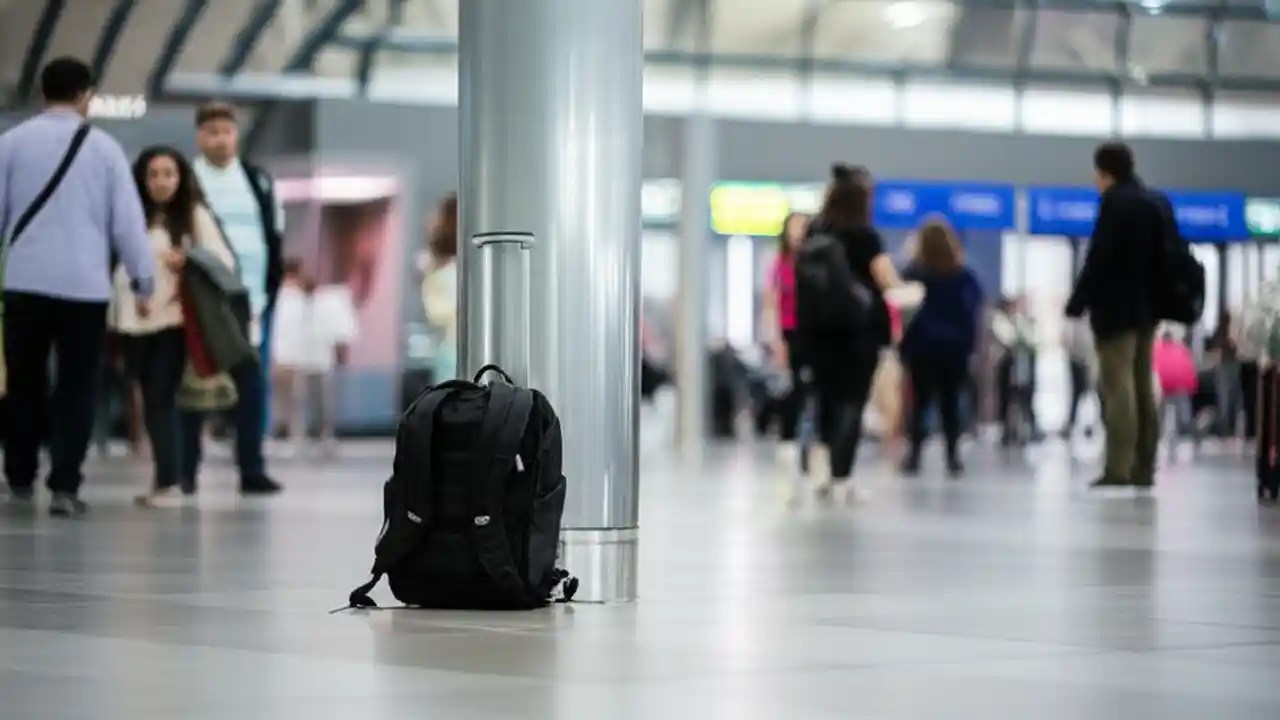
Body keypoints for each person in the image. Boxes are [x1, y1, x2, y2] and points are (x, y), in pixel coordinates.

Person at [0, 57, 155, 516]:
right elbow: (127, 224)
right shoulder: (105, 149)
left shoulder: (10, 143)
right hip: (85, 289)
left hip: (24, 283)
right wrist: (143, 280)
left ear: (43, 92)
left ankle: (20, 476)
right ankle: (66, 485)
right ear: (87, 95)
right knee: (76, 387)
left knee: (24, 382)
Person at [113, 147, 237, 505]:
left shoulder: (194, 215)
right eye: (153, 174)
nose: (161, 182)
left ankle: (170, 482)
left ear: (181, 178)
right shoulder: (133, 215)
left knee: (160, 399)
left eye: (169, 174)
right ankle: (167, 480)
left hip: (174, 323)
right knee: (152, 399)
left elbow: (223, 260)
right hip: (135, 323)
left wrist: (188, 259)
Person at [187, 101, 283, 494]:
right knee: (193, 383)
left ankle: (251, 467)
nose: (220, 140)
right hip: (202, 302)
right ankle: (184, 469)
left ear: (237, 135)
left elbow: (274, 237)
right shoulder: (189, 180)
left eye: (226, 132)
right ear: (199, 136)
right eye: (212, 132)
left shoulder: (257, 181)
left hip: (254, 303)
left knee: (253, 386)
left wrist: (269, 293)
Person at [1066, 142, 1163, 489]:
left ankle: (1118, 467)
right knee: (1141, 388)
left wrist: (1076, 302)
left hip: (1116, 314)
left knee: (1117, 389)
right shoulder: (1153, 203)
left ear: (1104, 171)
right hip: (1148, 312)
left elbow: (1099, 258)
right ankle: (1145, 467)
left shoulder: (1115, 204)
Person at [801, 164, 899, 497]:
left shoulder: (816, 232)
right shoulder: (866, 236)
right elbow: (887, 280)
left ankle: (824, 471)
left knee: (826, 399)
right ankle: (843, 476)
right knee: (852, 402)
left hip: (818, 331)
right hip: (860, 332)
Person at [899, 219, 984, 476]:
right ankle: (952, 456)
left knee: (919, 403)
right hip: (954, 350)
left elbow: (904, 315)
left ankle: (914, 455)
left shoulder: (913, 274)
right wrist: (970, 348)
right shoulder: (964, 277)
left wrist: (904, 349)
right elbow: (971, 316)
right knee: (950, 404)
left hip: (922, 349)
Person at [272, 259, 357, 457]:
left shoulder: (319, 298)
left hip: (316, 358)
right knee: (297, 402)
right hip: (296, 359)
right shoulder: (285, 299)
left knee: (320, 402)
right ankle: (298, 439)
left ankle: (323, 437)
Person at [764, 212, 808, 451]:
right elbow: (771, 302)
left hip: (812, 331)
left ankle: (812, 443)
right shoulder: (780, 263)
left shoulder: (816, 260)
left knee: (810, 388)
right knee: (791, 387)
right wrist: (775, 339)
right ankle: (788, 439)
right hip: (788, 331)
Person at [992, 295, 1042, 445]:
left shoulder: (1026, 322)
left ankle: (1028, 429)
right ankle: (1007, 431)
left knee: (1025, 399)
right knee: (1006, 400)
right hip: (1007, 365)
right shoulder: (1000, 321)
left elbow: (1032, 341)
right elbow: (1008, 340)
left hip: (1024, 366)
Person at [422, 193, 458, 382]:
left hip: (452, 347)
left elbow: (435, 313)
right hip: (451, 348)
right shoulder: (437, 264)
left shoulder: (442, 268)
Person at [1152, 325, 1198, 455]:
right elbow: (1189, 369)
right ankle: (1180, 436)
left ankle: (1157, 437)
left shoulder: (1155, 349)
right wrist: (1192, 387)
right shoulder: (1181, 349)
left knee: (1159, 415)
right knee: (1182, 417)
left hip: (1163, 387)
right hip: (1179, 387)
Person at [1209, 311, 1243, 439]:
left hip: (1226, 369)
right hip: (1228, 368)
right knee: (1229, 400)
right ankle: (1227, 429)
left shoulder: (1224, 334)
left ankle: (1227, 430)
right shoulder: (1224, 335)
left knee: (1227, 400)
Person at [1061, 317, 1096, 439]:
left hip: (1089, 359)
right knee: (1077, 393)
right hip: (1077, 359)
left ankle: (1092, 424)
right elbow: (1067, 338)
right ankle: (1072, 424)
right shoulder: (1075, 318)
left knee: (1092, 393)